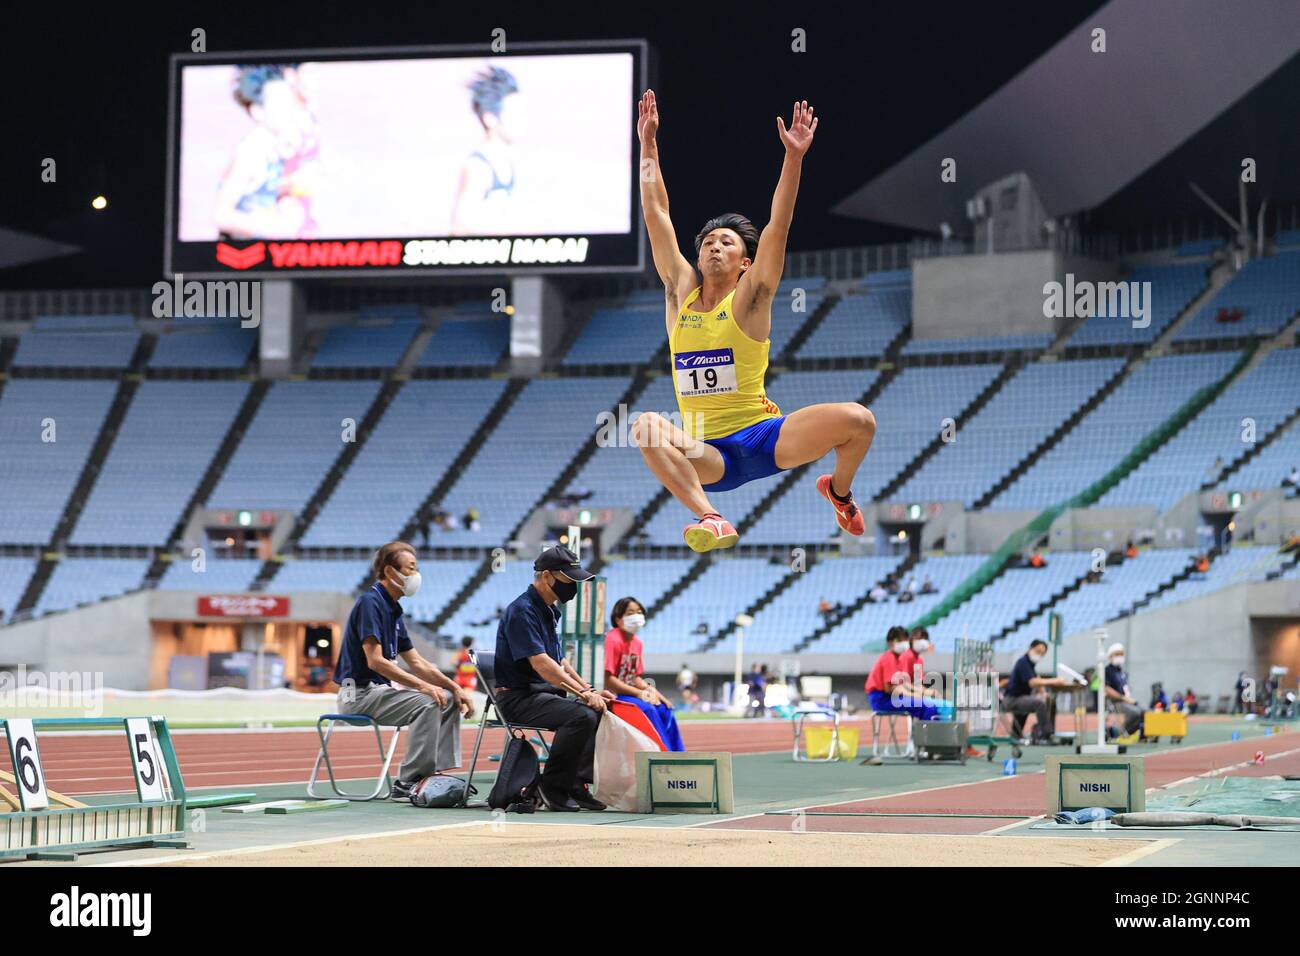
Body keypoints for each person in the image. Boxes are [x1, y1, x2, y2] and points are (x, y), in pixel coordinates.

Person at [632, 90, 877, 553]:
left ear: (746, 262)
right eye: (707, 242)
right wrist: (648, 144)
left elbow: (777, 227)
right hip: (711, 456)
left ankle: (839, 492)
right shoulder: (679, 292)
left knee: (859, 421)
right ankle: (709, 516)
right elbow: (656, 211)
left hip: (766, 439)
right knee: (645, 425)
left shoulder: (752, 297)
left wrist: (794, 158)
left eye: (726, 242)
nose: (714, 246)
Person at [333, 541, 474, 800]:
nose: (415, 575)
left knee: (449, 698)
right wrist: (423, 686)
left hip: (378, 693)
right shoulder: (370, 603)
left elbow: (418, 662)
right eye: (410, 569)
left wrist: (454, 687)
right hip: (357, 696)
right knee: (429, 702)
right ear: (389, 572)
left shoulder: (394, 610)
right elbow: (375, 661)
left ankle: (435, 773)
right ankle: (410, 781)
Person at [493, 545, 614, 812]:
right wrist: (585, 696)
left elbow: (561, 663)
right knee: (582, 715)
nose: (573, 586)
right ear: (546, 576)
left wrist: (590, 690)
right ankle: (552, 789)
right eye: (568, 580)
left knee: (600, 708)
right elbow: (542, 665)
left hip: (538, 695)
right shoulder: (522, 611)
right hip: (516, 697)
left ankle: (575, 784)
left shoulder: (547, 610)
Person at [215, 64, 320, 239]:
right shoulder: (251, 152)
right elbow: (221, 215)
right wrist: (274, 228)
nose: (289, 111)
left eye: (289, 102)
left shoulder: (281, 141)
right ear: (258, 112)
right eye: (279, 104)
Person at [603, 597, 685, 751]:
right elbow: (608, 680)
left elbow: (634, 677)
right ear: (618, 619)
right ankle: (662, 753)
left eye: (639, 612)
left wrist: (655, 693)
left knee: (664, 708)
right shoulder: (612, 639)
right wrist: (640, 694)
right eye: (630, 612)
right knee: (648, 709)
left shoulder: (637, 643)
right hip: (613, 695)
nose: (636, 615)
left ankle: (678, 753)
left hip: (629, 692)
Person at [450, 65, 519, 235]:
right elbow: (460, 226)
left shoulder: (505, 160)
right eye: (515, 114)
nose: (522, 121)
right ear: (490, 119)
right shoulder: (478, 168)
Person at [1003, 639, 1077, 744]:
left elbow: (1037, 678)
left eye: (1042, 654)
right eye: (1038, 651)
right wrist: (1054, 681)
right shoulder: (1023, 662)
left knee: (1048, 701)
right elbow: (1033, 682)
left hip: (1020, 698)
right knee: (1038, 704)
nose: (1039, 655)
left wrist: (1043, 693)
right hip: (1011, 699)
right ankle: (1046, 735)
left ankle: (1016, 734)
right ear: (1030, 648)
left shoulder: (1030, 664)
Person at [865, 627, 941, 721]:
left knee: (929, 705)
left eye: (905, 640)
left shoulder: (900, 659)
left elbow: (904, 685)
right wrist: (913, 694)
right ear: (890, 643)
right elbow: (889, 689)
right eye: (899, 640)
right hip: (882, 699)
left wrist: (921, 692)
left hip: (890, 697)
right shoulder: (889, 658)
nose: (904, 643)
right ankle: (927, 734)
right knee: (927, 706)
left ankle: (924, 732)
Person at [1103, 643, 1142, 738]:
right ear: (1110, 656)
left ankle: (1139, 735)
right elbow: (1107, 689)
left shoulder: (1121, 671)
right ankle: (1118, 733)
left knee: (1143, 711)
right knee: (1135, 712)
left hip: (1126, 701)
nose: (1119, 657)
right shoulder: (1108, 670)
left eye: (1121, 654)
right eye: (1117, 654)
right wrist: (1123, 698)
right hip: (1116, 702)